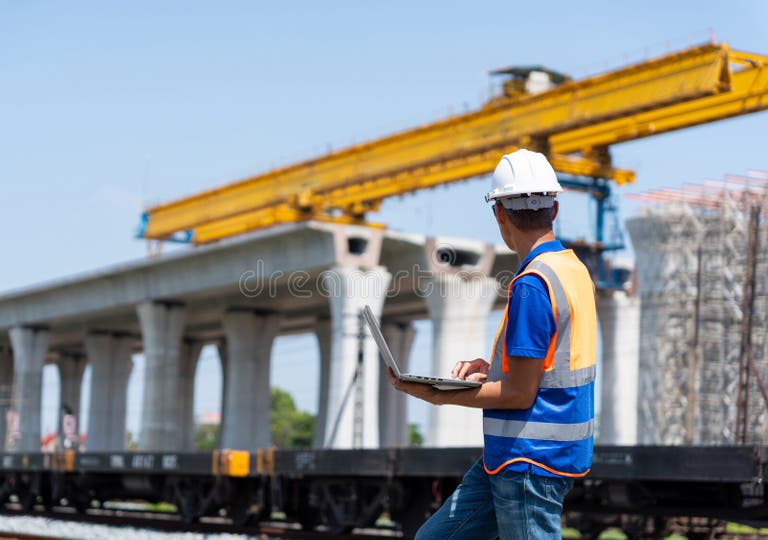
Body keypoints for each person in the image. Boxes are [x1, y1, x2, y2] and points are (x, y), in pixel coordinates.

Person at [387, 149, 597, 540]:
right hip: (514, 459)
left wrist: (438, 394)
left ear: (500, 214)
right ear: (553, 209)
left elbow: (519, 394)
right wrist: (492, 368)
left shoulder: (533, 286)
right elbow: (548, 365)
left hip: (530, 462)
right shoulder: (571, 270)